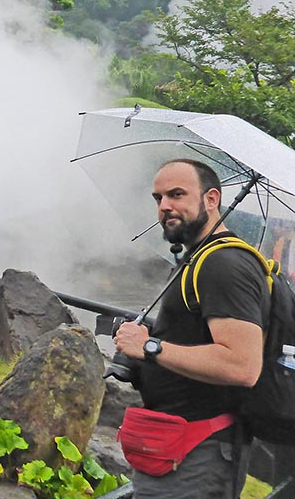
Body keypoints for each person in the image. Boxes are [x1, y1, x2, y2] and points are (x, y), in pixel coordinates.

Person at [113, 159, 269, 499]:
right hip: (173, 448)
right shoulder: (198, 258)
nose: (165, 205)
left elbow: (242, 366)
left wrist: (150, 348)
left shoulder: (224, 264)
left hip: (199, 455)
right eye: (158, 198)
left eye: (177, 194)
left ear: (211, 199)